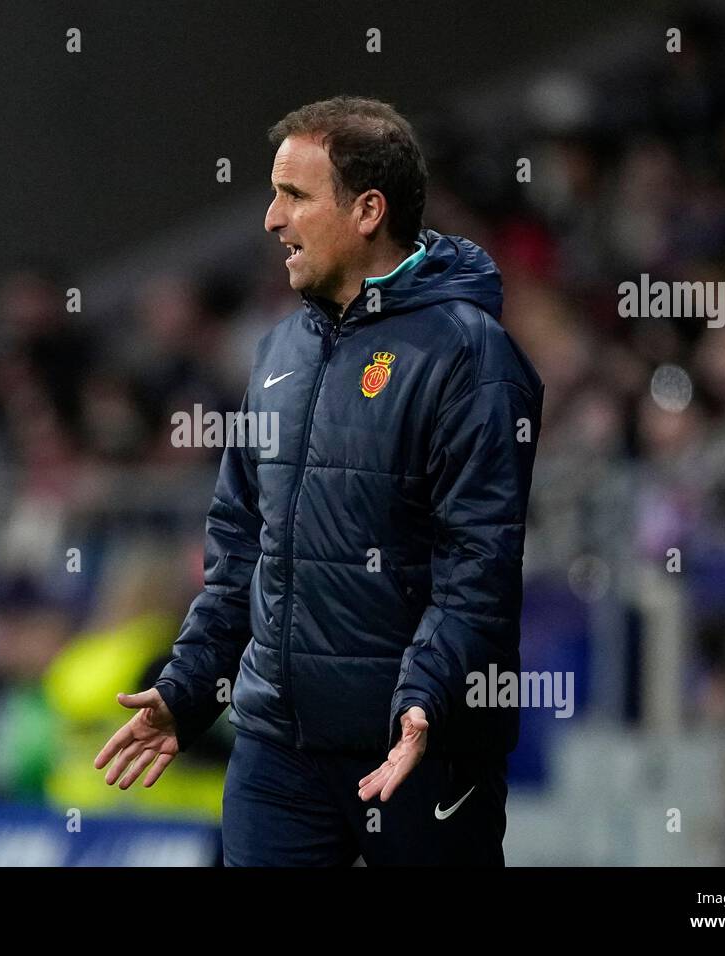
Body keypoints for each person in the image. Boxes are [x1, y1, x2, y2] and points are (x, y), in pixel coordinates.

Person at [95, 96, 544, 866]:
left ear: (368, 210)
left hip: (417, 752)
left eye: (294, 196)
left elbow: (479, 568)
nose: (271, 220)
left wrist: (423, 708)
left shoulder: (471, 358)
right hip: (276, 750)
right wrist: (191, 687)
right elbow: (240, 552)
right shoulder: (277, 354)